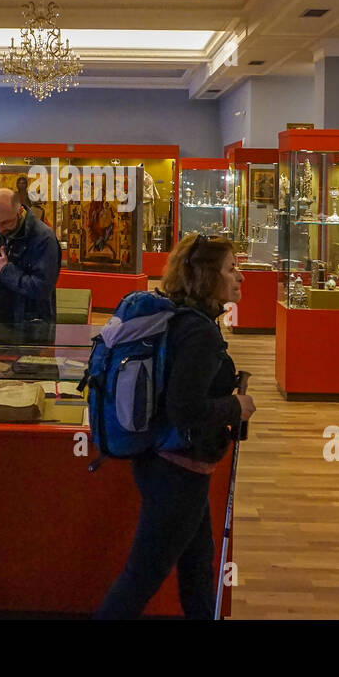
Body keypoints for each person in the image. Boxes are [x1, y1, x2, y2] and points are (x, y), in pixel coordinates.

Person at [96, 233, 256, 620]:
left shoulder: (185, 317)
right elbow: (185, 409)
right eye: (231, 269)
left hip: (171, 467)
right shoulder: (198, 332)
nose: (241, 277)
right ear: (207, 276)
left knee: (198, 571)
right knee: (141, 579)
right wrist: (236, 405)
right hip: (176, 473)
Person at [0, 187, 60, 325]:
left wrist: (5, 271)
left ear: (20, 211)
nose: (0, 228)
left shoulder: (44, 238)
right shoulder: (1, 231)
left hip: (27, 331)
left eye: (5, 223)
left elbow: (41, 289)